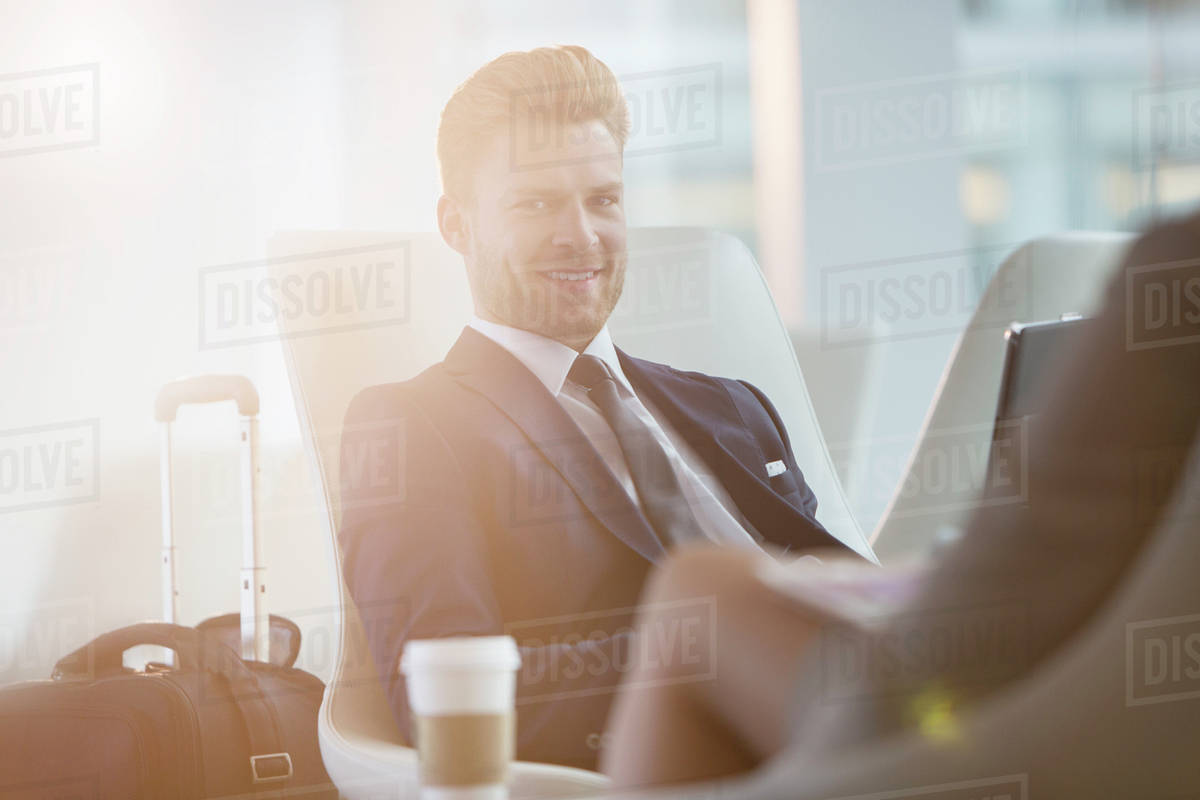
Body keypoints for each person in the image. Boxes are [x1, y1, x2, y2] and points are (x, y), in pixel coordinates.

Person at [336, 45, 865, 771]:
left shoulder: (733, 407)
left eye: (603, 200)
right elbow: (451, 695)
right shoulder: (412, 426)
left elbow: (838, 583)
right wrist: (705, 643)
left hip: (862, 718)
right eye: (536, 203)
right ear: (456, 225)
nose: (580, 236)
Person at [600, 211, 1200, 787]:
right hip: (1085, 715)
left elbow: (1004, 601)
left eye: (603, 199)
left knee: (699, 591)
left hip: (1005, 739)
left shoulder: (1174, 275)